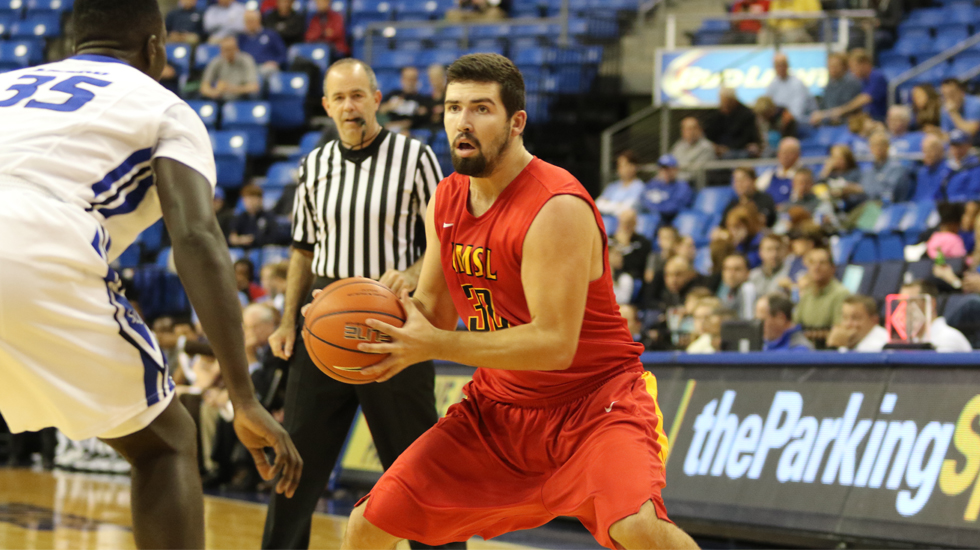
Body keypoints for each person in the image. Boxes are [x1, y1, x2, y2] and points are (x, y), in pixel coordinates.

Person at [337, 53, 700, 550]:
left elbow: (554, 345)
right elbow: (433, 312)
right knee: (369, 525)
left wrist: (438, 344)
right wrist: (362, 312)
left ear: (516, 122)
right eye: (453, 108)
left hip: (595, 405)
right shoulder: (445, 199)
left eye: (481, 109)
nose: (463, 122)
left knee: (637, 528)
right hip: (499, 411)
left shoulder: (557, 207)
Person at [0, 1, 302, 548]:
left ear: (75, 44)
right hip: (29, 243)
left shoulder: (11, 82)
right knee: (165, 442)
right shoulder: (164, 106)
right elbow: (196, 238)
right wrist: (244, 396)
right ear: (156, 49)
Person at [261, 58, 452, 550]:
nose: (349, 106)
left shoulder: (416, 158)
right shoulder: (315, 164)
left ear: (376, 99)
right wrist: (286, 322)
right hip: (323, 320)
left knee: (415, 468)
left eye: (358, 95)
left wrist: (411, 275)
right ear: (326, 105)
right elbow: (302, 249)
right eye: (339, 98)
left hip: (393, 324)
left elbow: (445, 240)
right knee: (295, 465)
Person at [900, 280, 972, 352]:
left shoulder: (947, 339)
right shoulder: (912, 341)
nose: (903, 308)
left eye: (911, 302)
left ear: (930, 303)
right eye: (900, 303)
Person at [794, 247, 849, 331]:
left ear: (833, 268)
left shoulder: (841, 294)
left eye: (822, 263)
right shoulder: (807, 293)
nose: (816, 267)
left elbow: (839, 332)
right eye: (812, 263)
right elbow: (795, 324)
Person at [703, 87, 762, 159]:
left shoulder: (747, 114)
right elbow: (709, 134)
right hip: (718, 148)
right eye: (722, 101)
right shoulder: (716, 115)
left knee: (732, 155)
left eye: (727, 102)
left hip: (739, 149)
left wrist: (728, 148)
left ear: (733, 100)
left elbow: (747, 138)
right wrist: (716, 147)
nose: (724, 105)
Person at [200, 36, 260, 101]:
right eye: (224, 50)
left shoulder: (246, 60)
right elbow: (204, 87)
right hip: (220, 99)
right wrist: (215, 92)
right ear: (221, 51)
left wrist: (231, 89)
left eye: (230, 49)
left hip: (242, 98)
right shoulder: (216, 61)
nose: (227, 53)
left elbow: (254, 87)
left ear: (237, 49)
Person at [640, 154, 692, 224]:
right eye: (662, 168)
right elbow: (643, 200)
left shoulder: (682, 186)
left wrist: (655, 207)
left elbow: (674, 207)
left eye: (668, 168)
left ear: (675, 169)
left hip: (671, 221)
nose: (665, 171)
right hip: (653, 218)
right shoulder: (652, 184)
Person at [811, 52, 862, 125]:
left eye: (835, 66)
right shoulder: (830, 83)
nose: (832, 69)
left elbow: (846, 108)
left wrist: (825, 115)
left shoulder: (851, 82)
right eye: (830, 66)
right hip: (830, 122)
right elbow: (824, 106)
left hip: (848, 124)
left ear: (844, 67)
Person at [765, 52, 816, 122]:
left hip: (801, 121)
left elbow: (797, 112)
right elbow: (768, 105)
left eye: (782, 65)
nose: (780, 68)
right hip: (781, 121)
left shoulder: (797, 84)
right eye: (777, 65)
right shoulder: (773, 83)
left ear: (787, 65)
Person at [379, 66, 430, 133]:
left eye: (413, 79)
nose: (410, 82)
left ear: (417, 80)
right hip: (389, 128)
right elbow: (380, 110)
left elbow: (418, 119)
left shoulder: (422, 99)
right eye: (407, 79)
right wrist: (389, 106)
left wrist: (399, 125)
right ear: (402, 79)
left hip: (410, 132)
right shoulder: (393, 94)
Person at [239, 10, 287, 78]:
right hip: (247, 68)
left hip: (265, 68)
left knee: (268, 71)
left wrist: (275, 62)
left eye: (252, 20)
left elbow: (283, 55)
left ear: (259, 20)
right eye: (247, 21)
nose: (249, 23)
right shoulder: (241, 38)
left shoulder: (271, 35)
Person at [596, 150, 644, 216]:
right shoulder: (612, 186)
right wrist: (618, 205)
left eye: (623, 165)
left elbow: (627, 208)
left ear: (633, 167)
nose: (620, 169)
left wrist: (608, 205)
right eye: (619, 166)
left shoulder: (639, 187)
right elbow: (598, 205)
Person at [229, 184, 277, 248]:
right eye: (246, 198)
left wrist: (252, 239)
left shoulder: (268, 216)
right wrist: (241, 240)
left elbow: (273, 237)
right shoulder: (241, 217)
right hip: (242, 251)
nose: (250, 202)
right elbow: (232, 237)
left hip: (261, 251)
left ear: (260, 200)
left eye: (253, 198)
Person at [756, 136, 801, 204]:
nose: (785, 156)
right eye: (782, 152)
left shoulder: (801, 175)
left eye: (789, 153)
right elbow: (757, 189)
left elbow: (798, 199)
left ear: (797, 155)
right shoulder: (771, 173)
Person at [670, 117, 716, 181]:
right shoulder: (678, 146)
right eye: (688, 129)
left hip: (695, 183)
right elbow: (670, 164)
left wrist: (675, 175)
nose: (691, 132)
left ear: (700, 130)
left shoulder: (706, 147)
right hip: (676, 180)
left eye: (694, 128)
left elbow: (696, 172)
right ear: (682, 131)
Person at [942, 129, 980, 202]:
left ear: (968, 145)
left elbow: (975, 194)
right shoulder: (945, 166)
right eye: (953, 145)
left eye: (959, 145)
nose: (956, 149)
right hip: (945, 206)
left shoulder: (975, 166)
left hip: (965, 205)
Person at [716, 253, 756, 320]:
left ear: (747, 272)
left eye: (737, 269)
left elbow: (747, 321)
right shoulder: (726, 290)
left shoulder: (748, 289)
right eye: (727, 269)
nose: (731, 274)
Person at [913, 134, 953, 202]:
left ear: (940, 151)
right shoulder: (922, 173)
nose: (927, 155)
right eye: (925, 151)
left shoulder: (950, 172)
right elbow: (917, 197)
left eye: (931, 151)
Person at [426, 63, 447, 128]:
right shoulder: (426, 99)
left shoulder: (450, 97)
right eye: (432, 78)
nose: (435, 81)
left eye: (438, 77)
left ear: (443, 78)